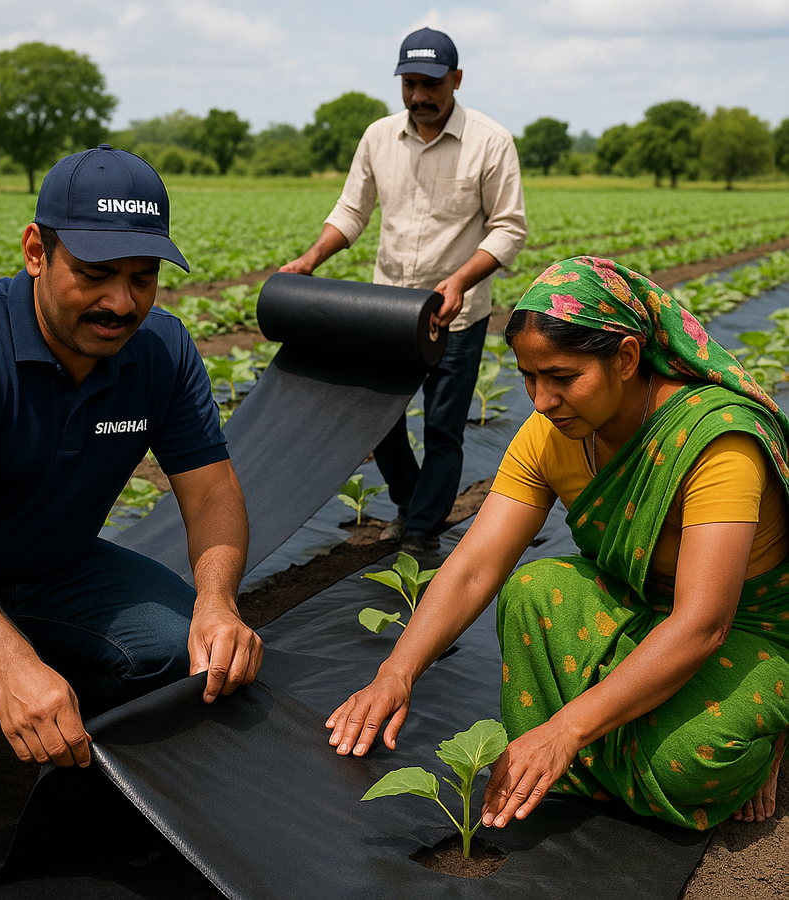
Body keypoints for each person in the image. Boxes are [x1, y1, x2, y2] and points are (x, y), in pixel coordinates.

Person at [326, 256, 789, 831]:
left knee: (685, 765)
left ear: (625, 358)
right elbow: (474, 566)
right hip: (642, 609)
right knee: (533, 588)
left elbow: (703, 624)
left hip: (742, 633)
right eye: (528, 376)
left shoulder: (715, 444)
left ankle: (763, 737)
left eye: (563, 377)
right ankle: (606, 739)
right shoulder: (549, 435)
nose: (541, 400)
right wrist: (396, 673)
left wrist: (565, 729)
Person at [0, 145, 263, 837]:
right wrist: (6, 661)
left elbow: (212, 490)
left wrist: (218, 601)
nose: (121, 303)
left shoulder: (163, 350)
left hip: (59, 565)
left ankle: (55, 700)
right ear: (36, 250)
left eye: (143, 277)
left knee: (187, 649)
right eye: (94, 274)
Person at [280, 27, 527, 553]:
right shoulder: (378, 137)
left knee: (442, 429)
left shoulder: (490, 141)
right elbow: (352, 211)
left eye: (431, 84)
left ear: (456, 80)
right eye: (409, 83)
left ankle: (419, 532)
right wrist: (310, 258)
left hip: (454, 313)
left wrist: (460, 280)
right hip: (388, 310)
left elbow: (508, 227)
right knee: (379, 423)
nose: (419, 97)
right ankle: (412, 502)